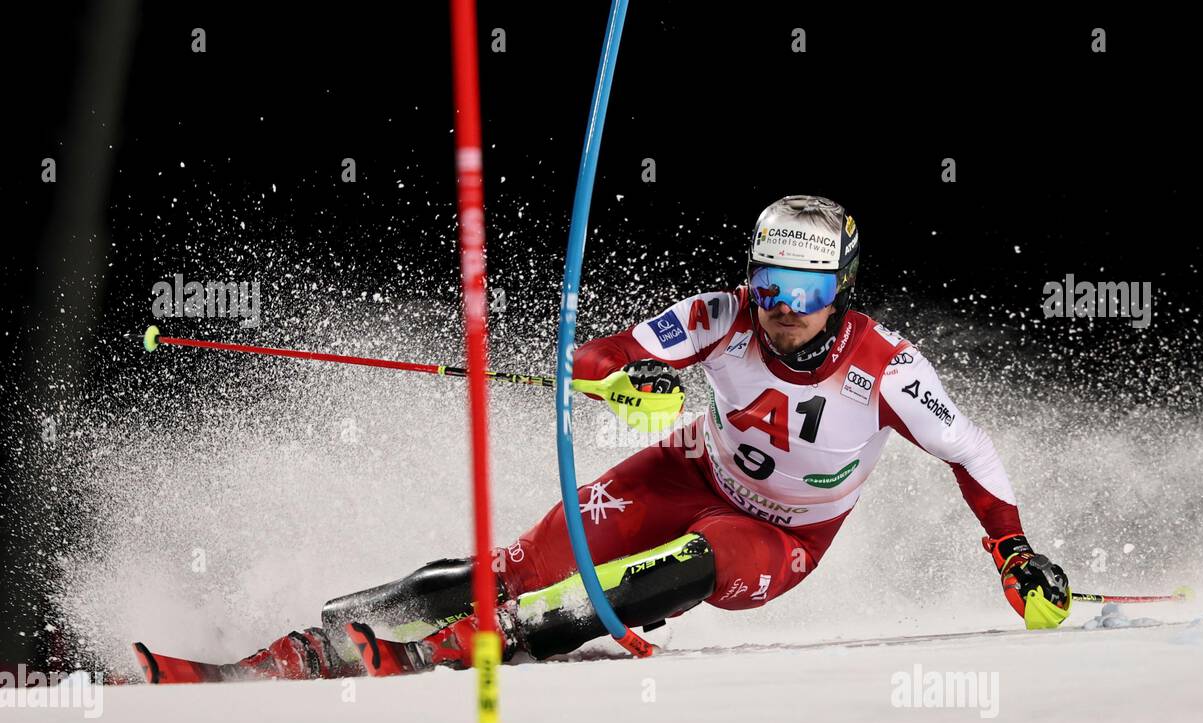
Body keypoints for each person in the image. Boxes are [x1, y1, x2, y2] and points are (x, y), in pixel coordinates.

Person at [133, 195, 1071, 684]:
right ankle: (326, 628)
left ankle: (467, 648)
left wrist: (1015, 552)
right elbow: (597, 353)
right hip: (683, 468)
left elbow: (972, 455)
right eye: (772, 286)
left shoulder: (887, 369)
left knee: (671, 570)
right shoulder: (722, 313)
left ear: (844, 291)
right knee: (527, 557)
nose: (785, 313)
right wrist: (626, 375)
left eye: (808, 293)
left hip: (782, 536)